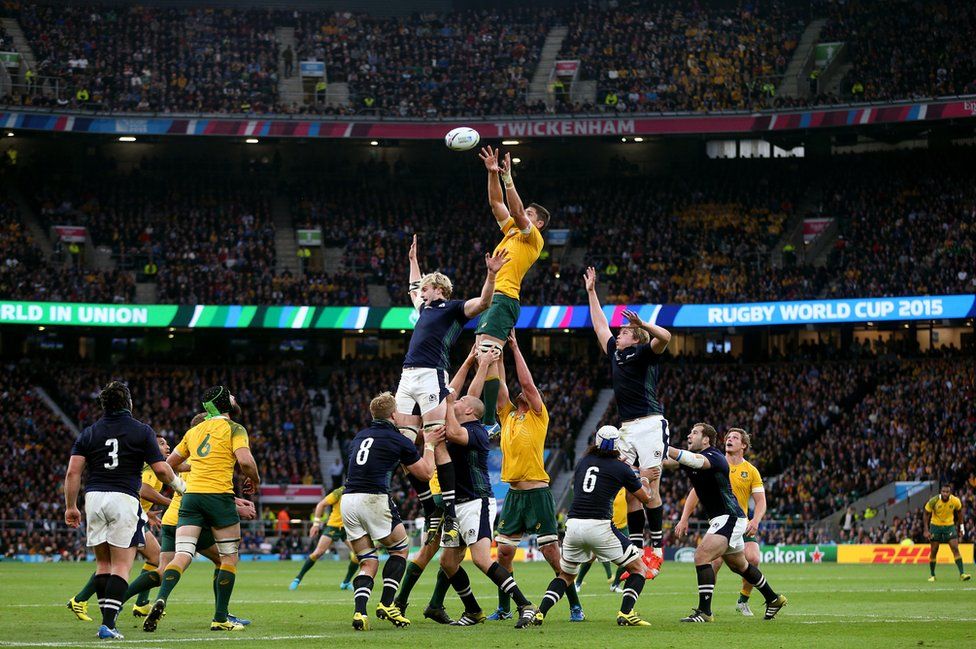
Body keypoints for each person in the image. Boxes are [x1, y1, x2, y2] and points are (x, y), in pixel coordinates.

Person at [396, 233, 507, 542]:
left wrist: (492, 273)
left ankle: (449, 514)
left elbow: (484, 302)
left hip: (433, 374)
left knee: (438, 439)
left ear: (439, 289)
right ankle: (429, 508)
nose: (420, 290)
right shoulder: (424, 309)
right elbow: (412, 285)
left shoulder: (453, 308)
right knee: (404, 445)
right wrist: (413, 261)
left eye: (426, 287)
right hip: (407, 375)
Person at [63, 381, 186, 640]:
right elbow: (162, 469)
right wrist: (180, 487)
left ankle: (106, 620)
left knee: (103, 563)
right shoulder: (141, 431)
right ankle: (108, 625)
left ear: (104, 405)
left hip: (94, 497)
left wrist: (71, 506)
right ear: (129, 403)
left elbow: (73, 472)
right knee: (121, 565)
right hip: (123, 497)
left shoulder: (89, 432)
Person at [143, 386, 261, 632]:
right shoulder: (235, 429)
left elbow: (168, 465)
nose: (235, 397)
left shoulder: (194, 430)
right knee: (229, 557)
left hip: (191, 499)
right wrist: (255, 480)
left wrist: (181, 484)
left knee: (183, 555)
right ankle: (220, 618)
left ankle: (161, 598)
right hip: (219, 497)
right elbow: (247, 462)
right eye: (231, 395)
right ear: (225, 405)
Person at [486, 331, 586, 622]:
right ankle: (505, 607)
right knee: (503, 552)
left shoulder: (538, 415)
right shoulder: (507, 416)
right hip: (515, 494)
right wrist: (498, 355)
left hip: (538, 492)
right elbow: (500, 385)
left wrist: (516, 347)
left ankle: (574, 604)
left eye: (527, 394)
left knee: (552, 555)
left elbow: (526, 383)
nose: (523, 393)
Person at [584, 266, 671, 559]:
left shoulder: (644, 354)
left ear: (635, 338)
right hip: (627, 427)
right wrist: (591, 292)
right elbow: (599, 325)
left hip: (649, 423)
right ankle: (635, 546)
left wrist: (644, 324)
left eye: (623, 332)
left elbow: (666, 337)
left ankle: (656, 546)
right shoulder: (616, 353)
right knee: (632, 484)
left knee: (649, 482)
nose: (617, 334)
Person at [532, 426, 655, 627]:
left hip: (573, 525)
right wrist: (643, 478)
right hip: (600, 526)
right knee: (639, 568)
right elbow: (646, 498)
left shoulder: (583, 462)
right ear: (618, 445)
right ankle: (626, 613)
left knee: (566, 576)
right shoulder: (621, 468)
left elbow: (600, 474)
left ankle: (540, 613)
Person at [665, 423, 787, 622]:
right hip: (723, 519)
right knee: (741, 566)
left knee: (702, 555)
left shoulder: (714, 457)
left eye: (694, 433)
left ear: (706, 440)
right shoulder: (702, 459)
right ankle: (773, 599)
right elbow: (669, 463)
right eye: (728, 437)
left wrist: (661, 444)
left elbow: (684, 457)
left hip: (730, 518)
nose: (689, 435)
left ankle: (705, 611)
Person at [341, 391, 441, 631]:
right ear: (394, 415)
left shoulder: (359, 436)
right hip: (373, 498)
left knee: (367, 560)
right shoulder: (398, 439)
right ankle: (387, 603)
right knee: (399, 549)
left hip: (347, 500)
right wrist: (429, 444)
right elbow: (426, 473)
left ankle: (360, 612)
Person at [438, 391, 538, 628]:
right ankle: (473, 610)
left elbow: (453, 431)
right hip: (457, 504)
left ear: (470, 411)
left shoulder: (476, 431)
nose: (457, 401)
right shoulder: (460, 429)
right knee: (448, 562)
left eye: (462, 401)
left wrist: (450, 402)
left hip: (476, 500)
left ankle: (525, 605)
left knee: (481, 559)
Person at [475, 146, 549, 436]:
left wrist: (508, 179)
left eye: (531, 215)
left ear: (538, 223)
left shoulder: (533, 238)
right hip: (495, 298)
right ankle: (493, 415)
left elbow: (516, 210)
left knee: (487, 352)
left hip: (504, 298)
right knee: (490, 354)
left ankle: (488, 419)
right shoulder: (511, 233)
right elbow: (496, 203)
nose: (524, 215)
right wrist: (493, 174)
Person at [67, 434, 173, 621]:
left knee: (144, 558)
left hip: (133, 515)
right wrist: (170, 503)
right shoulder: (151, 468)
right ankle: (113, 601)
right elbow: (144, 490)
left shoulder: (150, 467)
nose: (167, 446)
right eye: (162, 444)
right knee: (133, 561)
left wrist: (147, 514)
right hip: (127, 516)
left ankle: (138, 603)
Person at [289, 485, 359, 590]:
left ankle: (346, 582)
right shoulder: (340, 491)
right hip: (333, 526)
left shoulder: (362, 492)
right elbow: (321, 505)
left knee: (358, 556)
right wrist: (316, 524)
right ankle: (297, 579)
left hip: (349, 528)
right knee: (317, 553)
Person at [924, 484, 971, 581]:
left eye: (947, 492)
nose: (945, 494)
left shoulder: (955, 501)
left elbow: (959, 513)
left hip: (949, 527)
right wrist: (926, 529)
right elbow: (926, 514)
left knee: (955, 548)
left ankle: (962, 574)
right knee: (934, 551)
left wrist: (961, 528)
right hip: (935, 526)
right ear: (940, 492)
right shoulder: (934, 500)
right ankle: (932, 575)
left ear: (950, 492)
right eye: (943, 492)